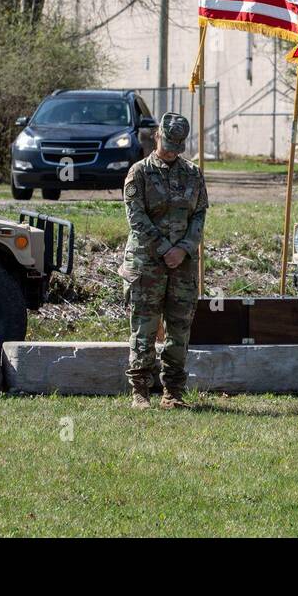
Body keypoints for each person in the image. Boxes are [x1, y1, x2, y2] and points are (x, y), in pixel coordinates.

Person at [120, 112, 208, 410]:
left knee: (179, 330)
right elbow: (136, 218)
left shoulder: (193, 174)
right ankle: (140, 392)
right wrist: (163, 249)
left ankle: (173, 393)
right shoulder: (139, 173)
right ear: (157, 136)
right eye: (168, 144)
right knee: (144, 328)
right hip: (146, 263)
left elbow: (199, 215)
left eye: (177, 147)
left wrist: (183, 249)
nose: (171, 151)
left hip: (182, 265)